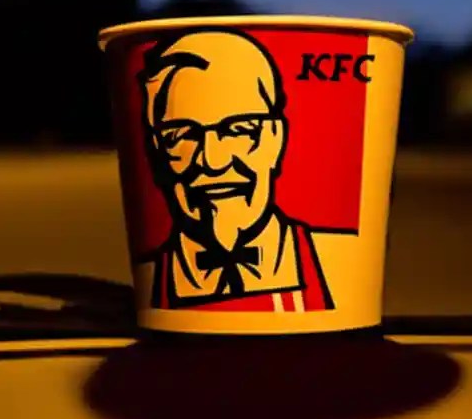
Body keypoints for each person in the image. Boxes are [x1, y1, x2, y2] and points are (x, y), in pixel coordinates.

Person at [138, 29, 335, 312]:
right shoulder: (151, 274)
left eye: (239, 130)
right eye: (183, 135)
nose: (213, 161)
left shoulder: (339, 259)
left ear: (275, 139)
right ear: (157, 152)